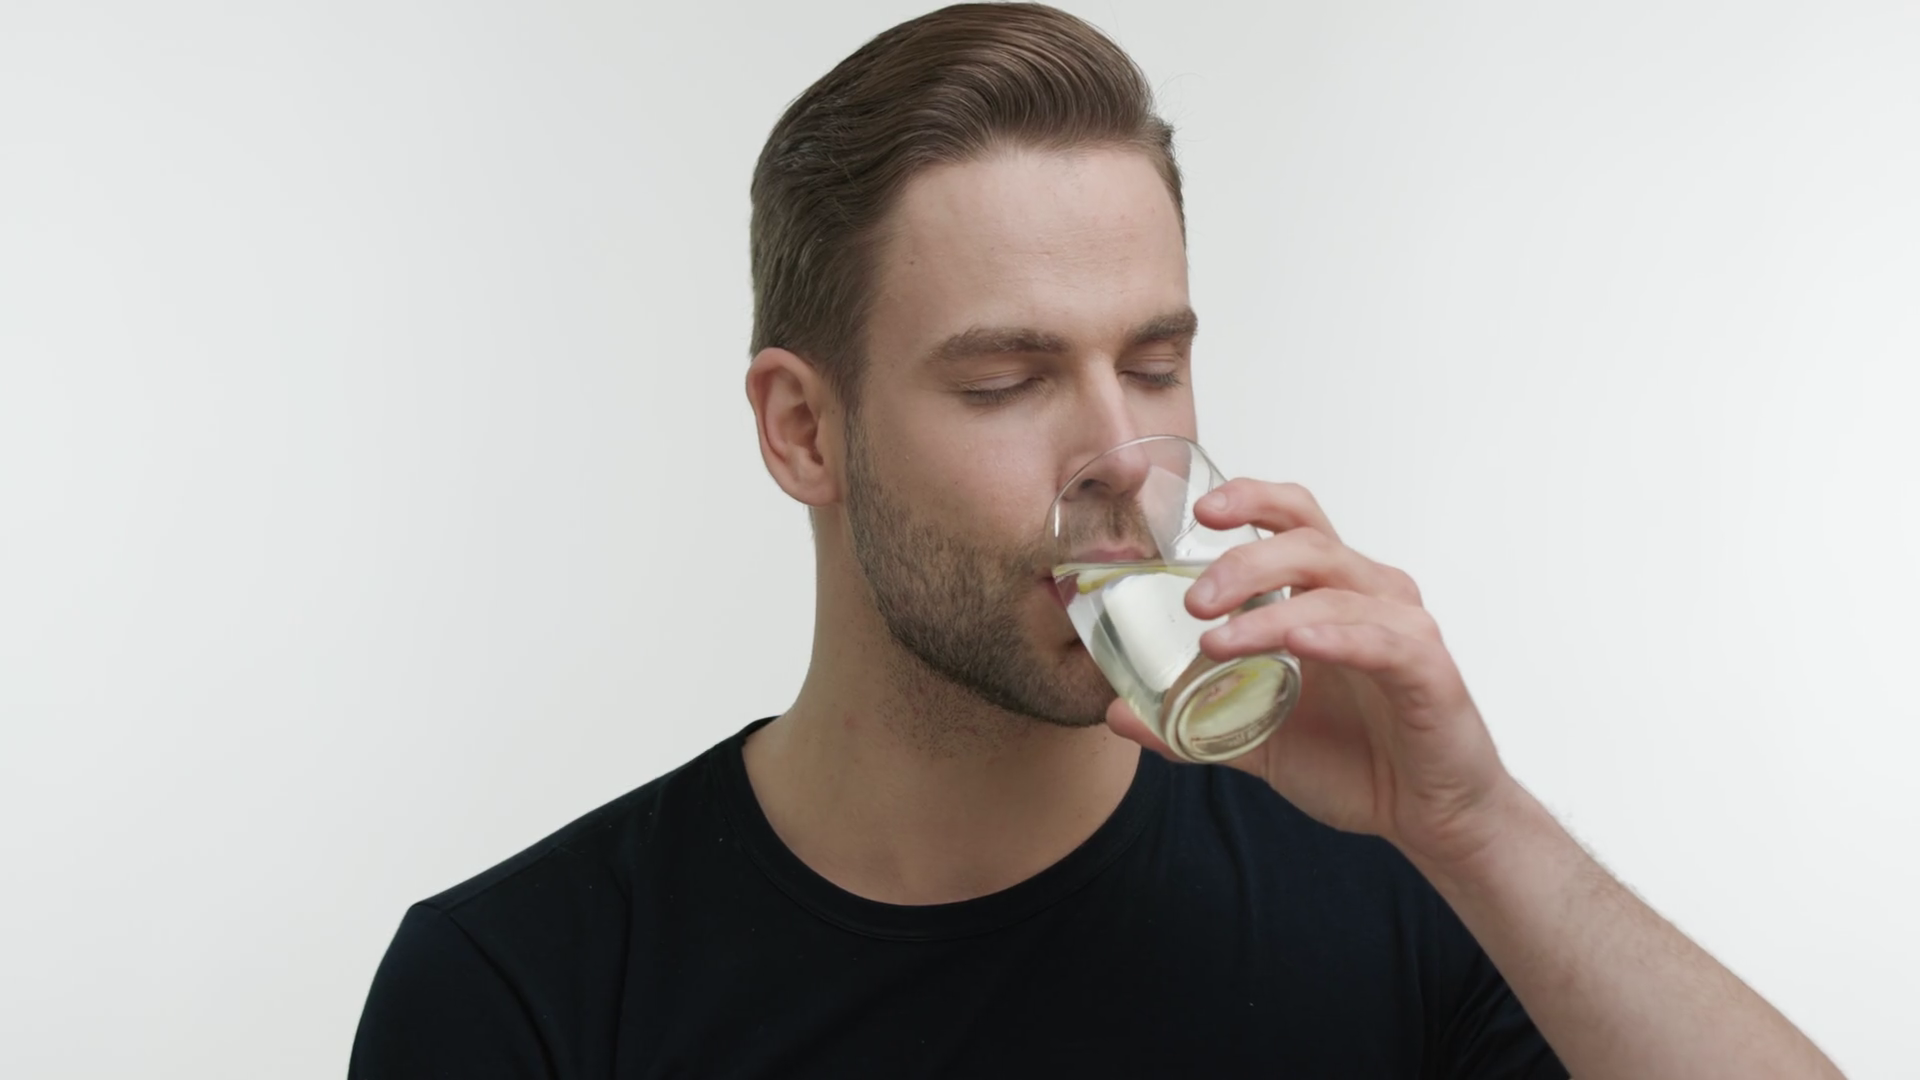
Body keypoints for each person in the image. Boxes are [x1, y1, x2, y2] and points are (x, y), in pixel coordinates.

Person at [349, 5, 1842, 1077]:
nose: (1116, 466)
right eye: (1004, 381)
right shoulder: (528, 988)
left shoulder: (1390, 893)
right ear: (804, 432)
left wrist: (1476, 828)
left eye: (1151, 365)